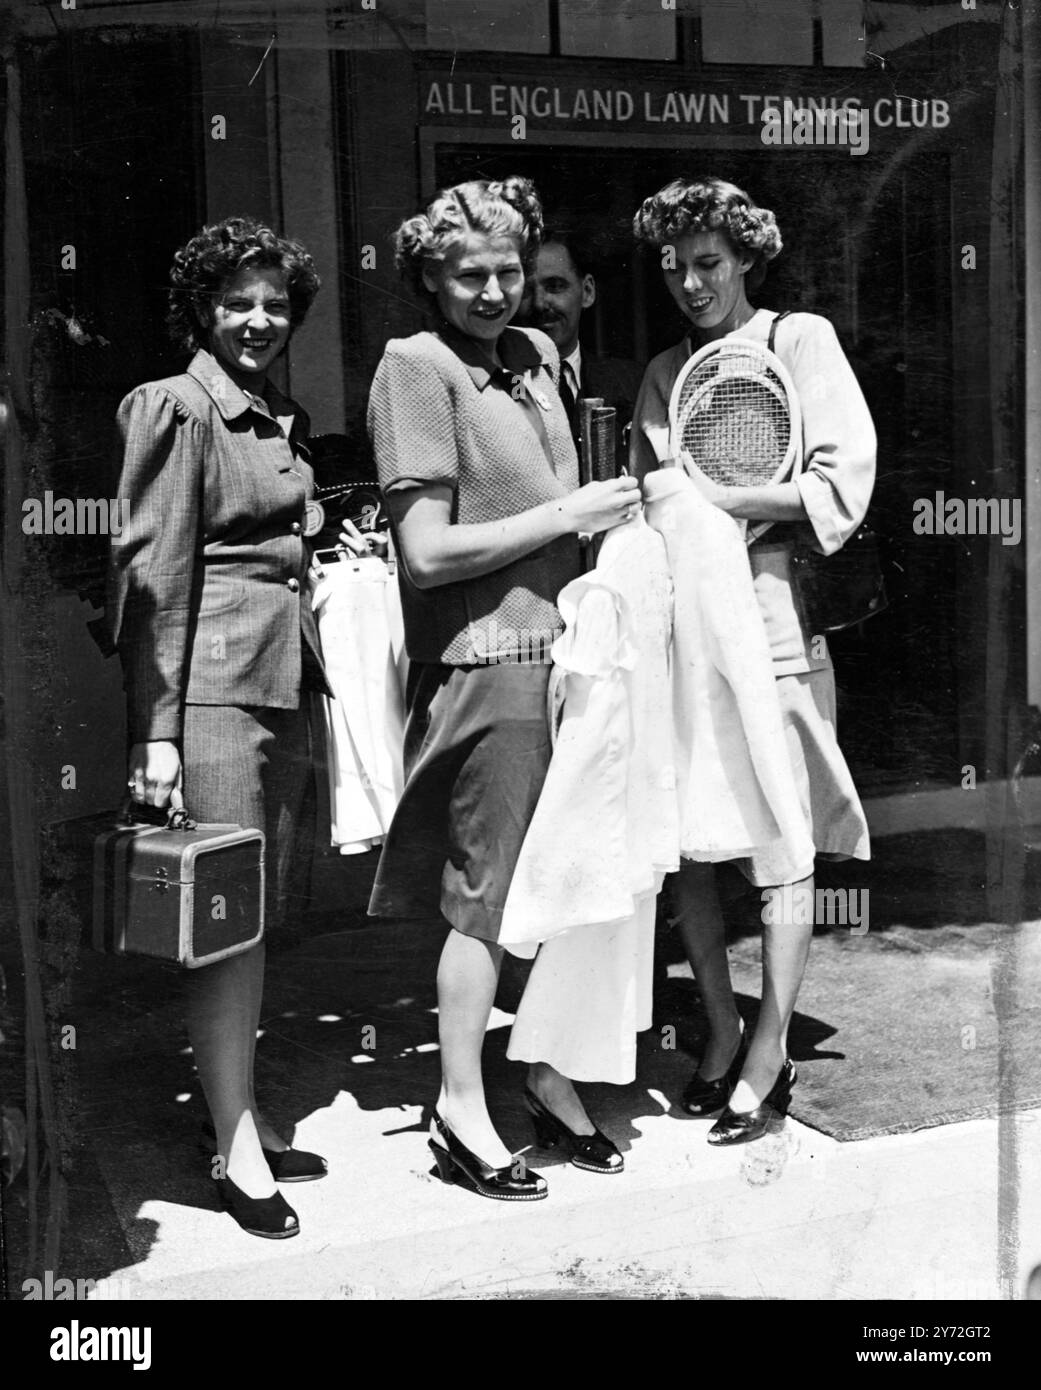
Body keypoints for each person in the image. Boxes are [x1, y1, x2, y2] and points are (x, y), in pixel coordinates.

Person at [366, 177, 642, 1198]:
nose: (493, 291)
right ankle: (460, 1108)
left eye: (509, 271)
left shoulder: (533, 359)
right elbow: (427, 553)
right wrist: (569, 512)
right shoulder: (415, 368)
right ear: (430, 278)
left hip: (568, 658)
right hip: (491, 663)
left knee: (560, 886)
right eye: (469, 274)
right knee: (486, 900)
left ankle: (545, 1071)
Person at [108, 217, 342, 1237]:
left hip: (279, 685)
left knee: (261, 914)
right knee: (223, 924)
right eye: (238, 301)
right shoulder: (178, 408)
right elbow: (152, 579)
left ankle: (241, 1106)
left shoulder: (271, 413)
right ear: (201, 310)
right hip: (207, 694)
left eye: (275, 303)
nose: (259, 318)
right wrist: (154, 732)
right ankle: (234, 1140)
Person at [630, 176, 875, 1145]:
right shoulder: (661, 371)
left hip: (772, 618)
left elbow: (839, 480)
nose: (693, 283)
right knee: (694, 840)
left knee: (779, 839)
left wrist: (719, 500)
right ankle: (722, 1033)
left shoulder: (796, 340)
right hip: (690, 626)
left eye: (709, 264)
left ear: (745, 261)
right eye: (676, 267)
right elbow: (654, 500)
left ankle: (771, 1049)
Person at [520, 230, 644, 465]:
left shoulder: (634, 384)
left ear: (587, 291)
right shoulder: (509, 386)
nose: (538, 303)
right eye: (527, 290)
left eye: (555, 286)